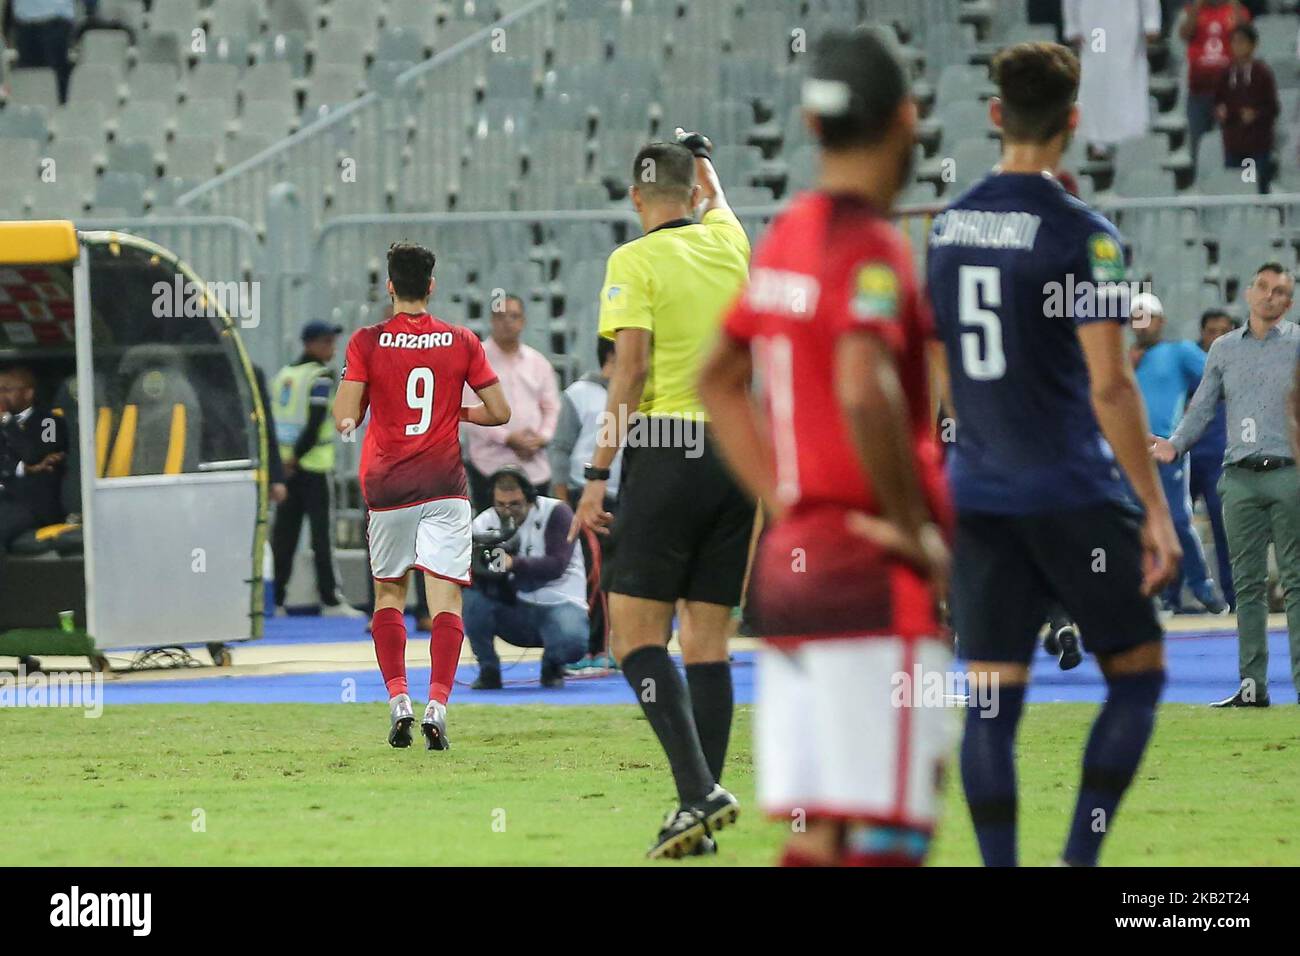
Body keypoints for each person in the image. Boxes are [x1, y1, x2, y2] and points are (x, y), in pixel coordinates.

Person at [699, 28, 953, 867]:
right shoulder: (875, 248)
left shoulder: (787, 236)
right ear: (906, 121)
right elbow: (860, 382)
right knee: (889, 835)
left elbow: (717, 380)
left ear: (810, 128)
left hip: (796, 570)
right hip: (873, 577)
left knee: (822, 835)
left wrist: (791, 493)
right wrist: (914, 529)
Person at [927, 41, 1180, 867]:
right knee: (1137, 676)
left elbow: (942, 370)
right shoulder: (1085, 236)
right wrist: (1152, 508)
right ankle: (1078, 860)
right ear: (1072, 123)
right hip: (1069, 489)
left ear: (996, 115)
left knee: (991, 706)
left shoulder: (946, 227)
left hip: (981, 493)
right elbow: (1112, 386)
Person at [568, 133, 752, 859]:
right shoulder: (730, 241)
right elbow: (720, 197)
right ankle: (697, 815)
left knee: (633, 638)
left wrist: (596, 472)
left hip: (669, 450)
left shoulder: (632, 259)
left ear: (636, 198)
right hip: (740, 452)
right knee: (708, 643)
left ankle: (699, 792)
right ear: (697, 190)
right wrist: (705, 159)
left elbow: (632, 370)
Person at [334, 241, 510, 749]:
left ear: (389, 285)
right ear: (431, 287)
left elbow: (346, 414)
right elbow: (500, 412)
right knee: (445, 597)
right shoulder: (462, 341)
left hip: (388, 486)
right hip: (444, 487)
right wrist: (457, 414)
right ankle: (438, 703)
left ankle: (398, 700)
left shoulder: (366, 342)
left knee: (389, 593)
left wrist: (360, 406)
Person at [1153, 262, 1300, 708]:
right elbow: (1201, 407)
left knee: (1296, 582)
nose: (1270, 296)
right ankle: (1252, 685)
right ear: (1250, 292)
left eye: (1280, 291)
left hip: (1289, 473)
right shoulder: (1221, 350)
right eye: (1263, 287)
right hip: (1238, 476)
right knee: (1248, 585)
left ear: (1288, 302)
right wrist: (1174, 445)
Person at [1129, 292, 1227, 613]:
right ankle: (1151, 593)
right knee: (1130, 524)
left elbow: (1217, 379)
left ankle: (1203, 587)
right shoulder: (1123, 359)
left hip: (1164, 450)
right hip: (1127, 453)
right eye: (1137, 317)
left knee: (1176, 519)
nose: (1142, 324)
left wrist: (1192, 419)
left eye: (1148, 316)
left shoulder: (1179, 352)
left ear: (1161, 321)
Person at [464, 467, 588, 690]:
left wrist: (512, 563)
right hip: (515, 606)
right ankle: (488, 669)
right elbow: (468, 567)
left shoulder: (557, 513)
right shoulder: (485, 522)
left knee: (572, 641)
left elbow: (556, 565)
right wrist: (479, 567)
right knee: (472, 598)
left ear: (529, 497)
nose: (508, 511)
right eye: (501, 505)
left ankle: (553, 663)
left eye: (515, 504)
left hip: (559, 600)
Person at [269, 320, 362, 618]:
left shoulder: (285, 375)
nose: (332, 348)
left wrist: (285, 462)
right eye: (326, 342)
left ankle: (277, 599)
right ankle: (330, 600)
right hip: (313, 465)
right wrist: (297, 456)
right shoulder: (320, 377)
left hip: (287, 469)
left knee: (284, 535)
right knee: (321, 535)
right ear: (310, 344)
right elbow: (314, 421)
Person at [549, 337, 622, 672]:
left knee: (621, 576)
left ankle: (620, 648)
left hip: (628, 495)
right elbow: (561, 449)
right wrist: (563, 504)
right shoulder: (579, 394)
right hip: (586, 496)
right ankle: (593, 649)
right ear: (612, 352)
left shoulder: (640, 395)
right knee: (596, 573)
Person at [460, 294, 560, 514]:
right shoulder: (476, 360)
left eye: (514, 316)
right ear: (491, 320)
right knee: (492, 534)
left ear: (523, 321)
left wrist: (541, 438)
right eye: (501, 316)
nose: (507, 322)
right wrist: (507, 438)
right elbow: (468, 412)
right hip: (489, 465)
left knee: (536, 533)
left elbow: (551, 408)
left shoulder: (538, 362)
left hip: (533, 465)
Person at [1063, 0, 1162, 159]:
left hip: (1127, 27)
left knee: (1127, 74)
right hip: (1097, 28)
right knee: (1098, 72)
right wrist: (1073, 26)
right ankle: (1098, 139)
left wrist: (1151, 22)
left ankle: (1132, 137)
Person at [1186, 309, 1238, 609]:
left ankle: (1235, 599)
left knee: (1225, 528)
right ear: (1201, 332)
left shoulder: (1242, 363)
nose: (1216, 336)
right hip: (1185, 457)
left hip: (1219, 459)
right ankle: (1171, 598)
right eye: (1211, 330)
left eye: (1223, 330)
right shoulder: (1188, 362)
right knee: (1177, 525)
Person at [1178, 0, 1252, 171]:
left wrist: (1234, 6)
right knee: (1199, 143)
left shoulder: (1236, 11)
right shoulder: (1193, 10)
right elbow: (1184, 34)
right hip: (1199, 91)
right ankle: (1201, 181)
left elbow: (1246, 36)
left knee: (1232, 143)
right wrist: (1197, 7)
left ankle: (1231, 184)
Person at [0, 365, 67, 547]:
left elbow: (35, 455)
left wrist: (7, 422)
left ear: (28, 393)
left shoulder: (48, 421)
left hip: (32, 504)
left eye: (6, 390)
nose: (1, 396)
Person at [1214, 22, 1279, 194]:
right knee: (1234, 192)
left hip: (1256, 145)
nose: (1237, 46)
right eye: (1234, 42)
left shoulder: (1262, 73)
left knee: (1253, 191)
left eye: (1242, 41)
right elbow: (1217, 101)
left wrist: (1256, 115)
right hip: (1233, 144)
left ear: (1253, 44)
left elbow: (1273, 108)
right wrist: (1220, 111)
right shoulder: (1226, 73)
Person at [11, 0, 93, 104]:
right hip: (24, 20)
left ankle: (62, 113)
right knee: (28, 78)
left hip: (56, 17)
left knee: (57, 79)